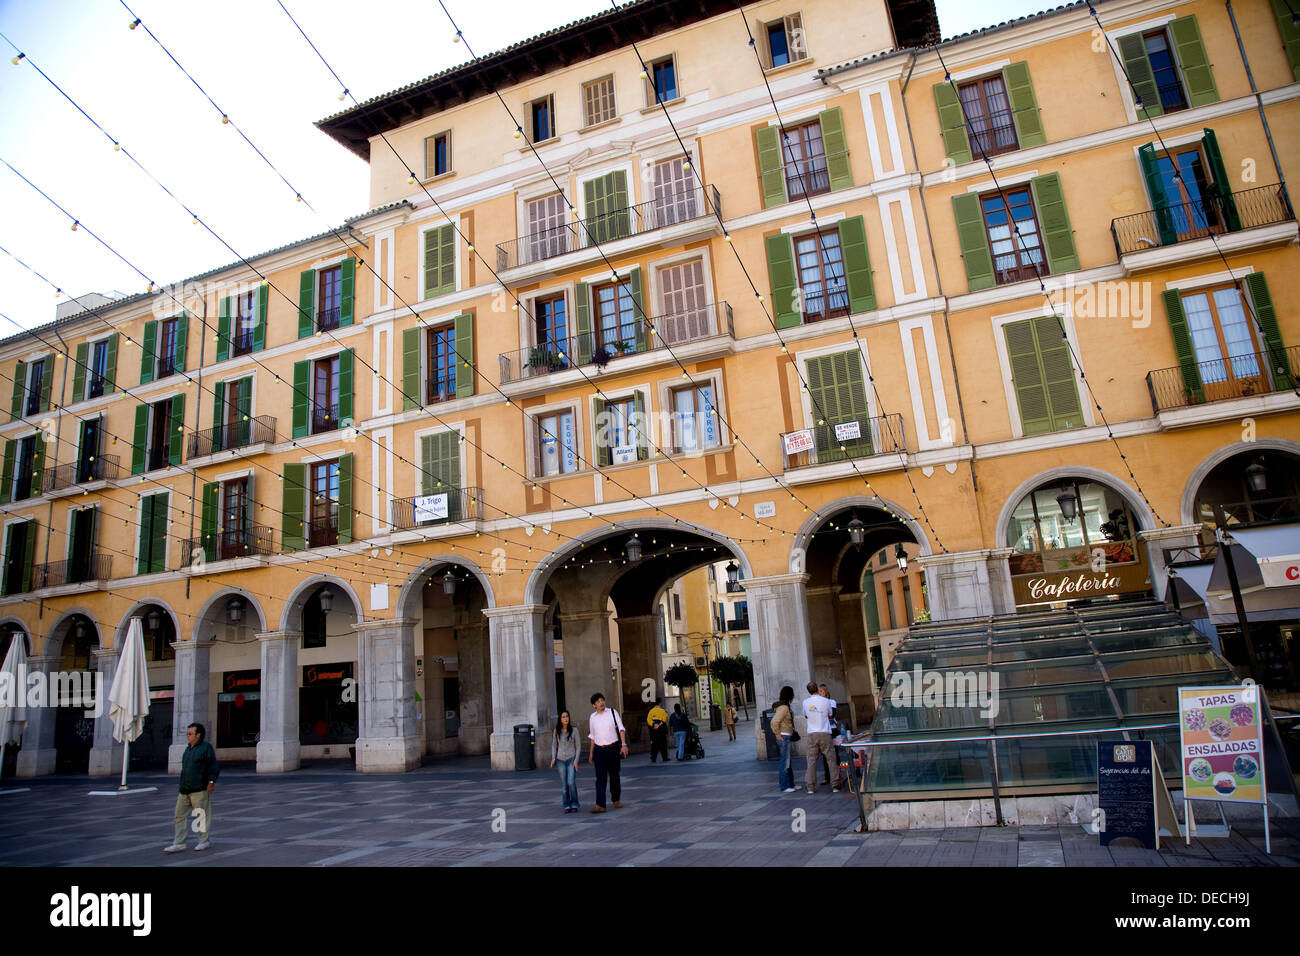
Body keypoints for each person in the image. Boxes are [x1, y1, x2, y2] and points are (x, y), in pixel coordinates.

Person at [164, 722, 219, 853]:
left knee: (200, 816)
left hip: (199, 789)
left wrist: (211, 781)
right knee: (179, 815)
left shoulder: (206, 748)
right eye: (187, 733)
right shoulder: (188, 749)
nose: (187, 736)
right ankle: (179, 842)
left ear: (198, 735)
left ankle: (203, 841)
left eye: (190, 734)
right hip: (184, 789)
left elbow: (213, 766)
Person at [586, 692, 628, 812]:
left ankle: (616, 799)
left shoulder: (613, 712)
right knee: (600, 777)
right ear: (594, 705)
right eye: (598, 702)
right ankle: (600, 804)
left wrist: (623, 745)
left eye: (602, 700)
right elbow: (592, 736)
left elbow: (621, 729)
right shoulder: (592, 717)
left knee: (614, 776)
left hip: (613, 748)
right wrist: (591, 753)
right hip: (599, 750)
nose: (601, 703)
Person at [802, 681, 840, 793]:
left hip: (812, 733)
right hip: (824, 732)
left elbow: (805, 715)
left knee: (811, 761)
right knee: (831, 759)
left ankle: (810, 786)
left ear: (808, 691)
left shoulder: (805, 702)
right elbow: (830, 715)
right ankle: (835, 785)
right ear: (817, 689)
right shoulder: (826, 701)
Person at [550, 710, 581, 812]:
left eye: (567, 716)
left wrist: (576, 761)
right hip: (560, 760)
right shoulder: (556, 731)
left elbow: (578, 747)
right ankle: (566, 804)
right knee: (564, 785)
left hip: (571, 759)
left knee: (571, 782)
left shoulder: (574, 730)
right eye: (563, 717)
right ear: (560, 719)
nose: (565, 718)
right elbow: (554, 745)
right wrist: (553, 757)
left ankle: (574, 803)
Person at [770, 685, 797, 793]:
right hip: (784, 736)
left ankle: (791, 784)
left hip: (786, 735)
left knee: (788, 761)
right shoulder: (784, 708)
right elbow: (774, 722)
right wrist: (777, 734)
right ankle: (784, 786)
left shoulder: (785, 706)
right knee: (784, 761)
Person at [646, 697, 670, 763]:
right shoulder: (663, 711)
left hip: (653, 732)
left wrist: (654, 724)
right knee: (663, 745)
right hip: (661, 731)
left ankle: (653, 758)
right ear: (660, 703)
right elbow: (665, 719)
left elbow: (648, 720)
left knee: (654, 745)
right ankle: (665, 757)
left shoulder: (651, 711)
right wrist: (659, 725)